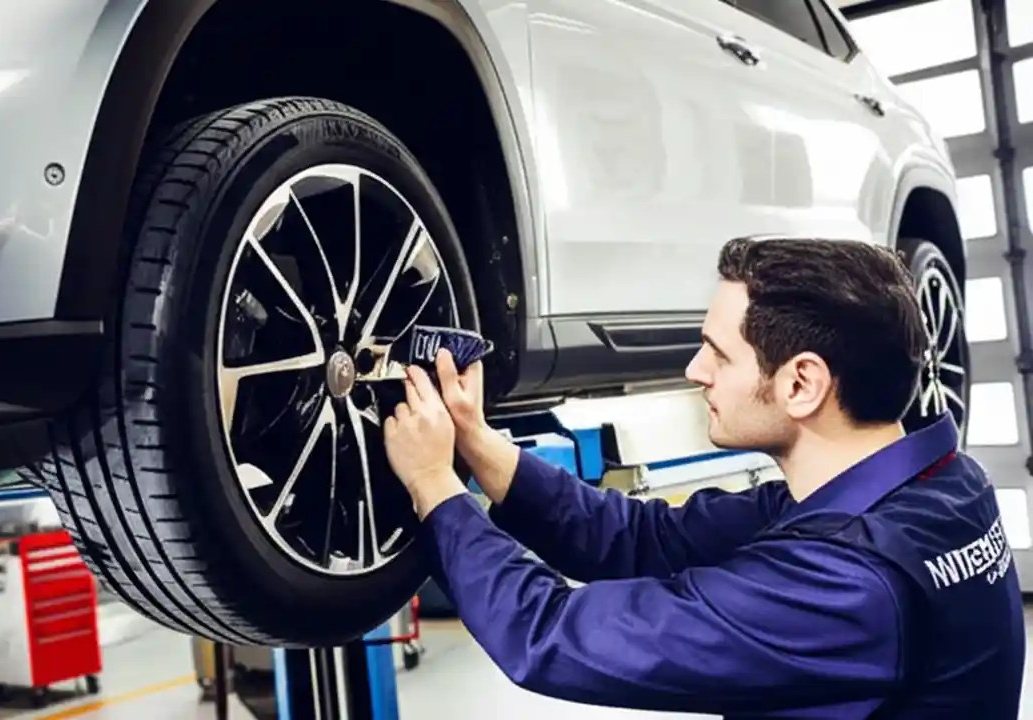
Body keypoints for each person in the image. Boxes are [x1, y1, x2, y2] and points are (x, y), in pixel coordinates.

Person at [382, 237, 1025, 718]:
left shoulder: (842, 584)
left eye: (718, 353)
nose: (695, 370)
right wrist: (478, 443)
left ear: (801, 382)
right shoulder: (937, 484)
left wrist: (435, 486)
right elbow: (643, 538)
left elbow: (547, 634)